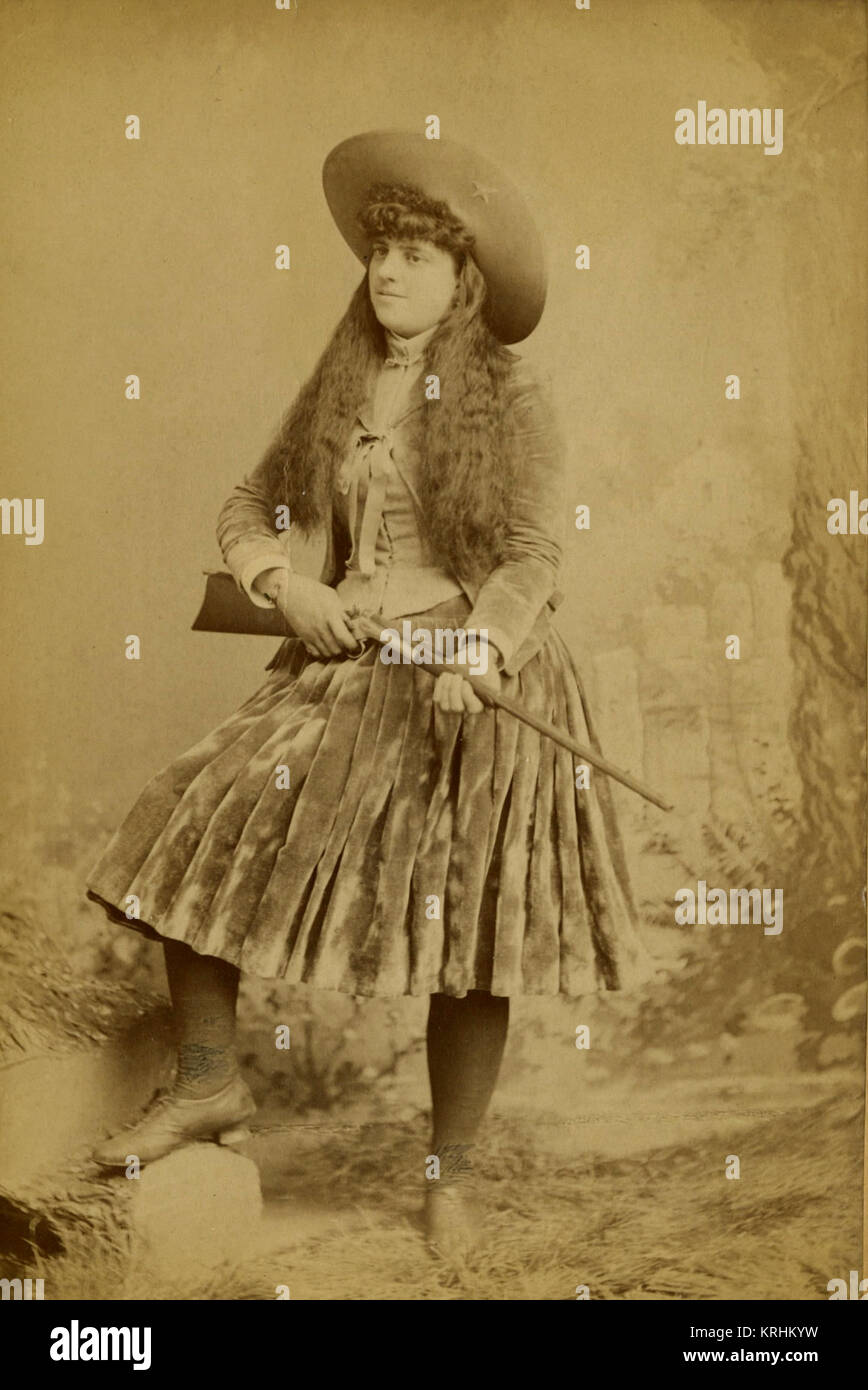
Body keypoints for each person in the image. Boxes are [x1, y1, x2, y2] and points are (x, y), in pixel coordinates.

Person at [86, 130, 659, 1258]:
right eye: (379, 251)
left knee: (470, 928)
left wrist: (480, 654)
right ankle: (209, 1080)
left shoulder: (513, 396)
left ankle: (449, 1178)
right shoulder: (341, 382)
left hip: (472, 679)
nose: (387, 271)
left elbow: (534, 556)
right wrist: (283, 586)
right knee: (185, 820)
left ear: (463, 282)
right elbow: (249, 507)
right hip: (346, 667)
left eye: (414, 255)